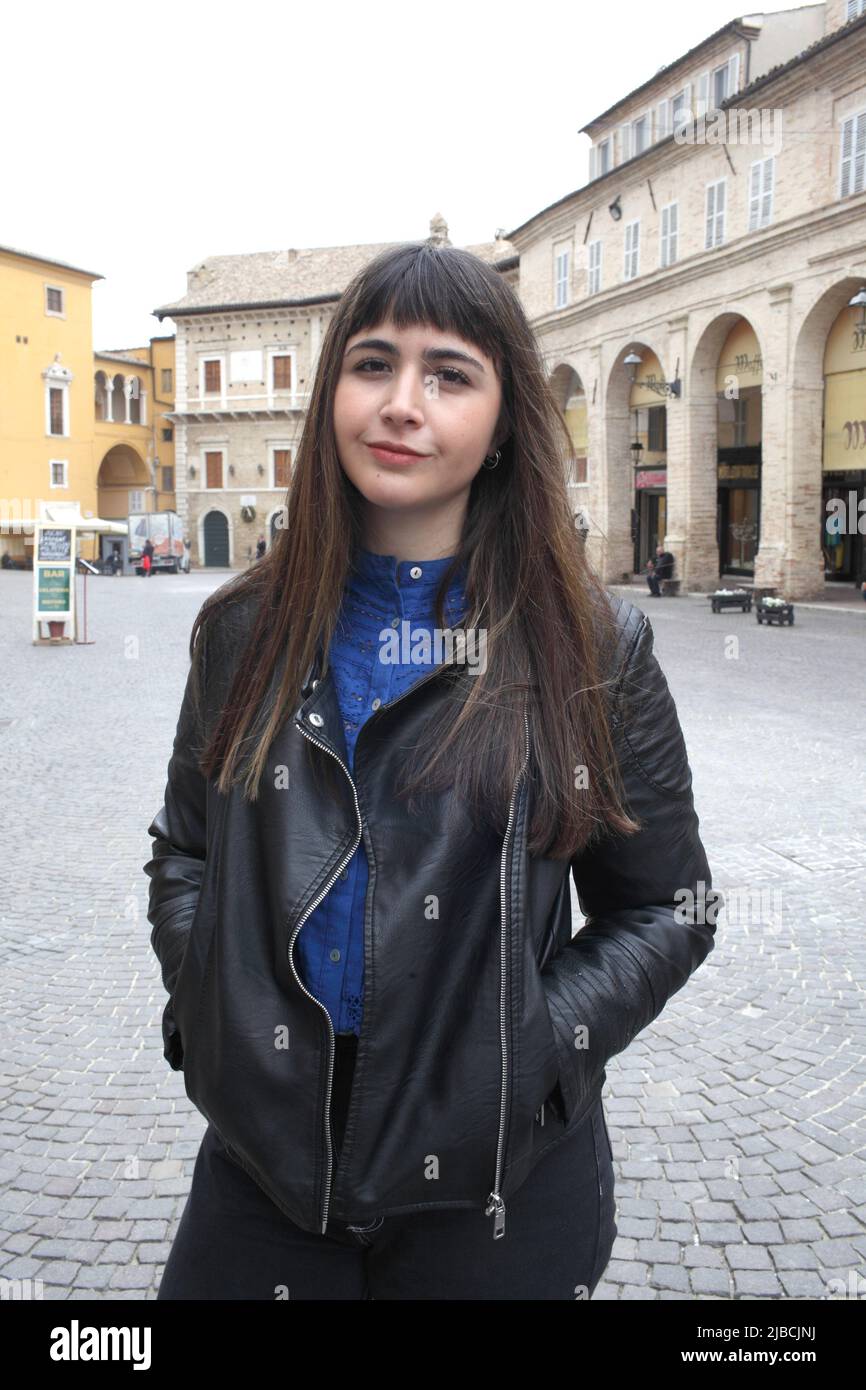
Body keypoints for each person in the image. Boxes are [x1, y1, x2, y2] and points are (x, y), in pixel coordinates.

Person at [144, 241, 715, 1301]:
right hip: (264, 1165)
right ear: (330, 397)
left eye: (448, 374)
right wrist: (212, 1006)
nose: (401, 402)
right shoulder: (242, 632)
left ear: (502, 425)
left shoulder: (589, 647)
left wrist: (528, 1051)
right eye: (372, 364)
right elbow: (184, 849)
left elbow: (672, 907)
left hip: (493, 1189)